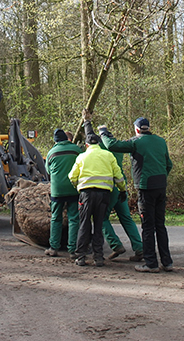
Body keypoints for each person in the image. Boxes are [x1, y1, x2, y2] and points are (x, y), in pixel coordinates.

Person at [85, 113, 173, 273]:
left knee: (147, 226)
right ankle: (166, 262)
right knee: (160, 225)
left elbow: (112, 145)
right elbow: (169, 164)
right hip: (160, 186)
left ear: (137, 130)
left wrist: (101, 130)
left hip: (145, 187)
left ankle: (151, 263)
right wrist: (161, 178)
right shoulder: (161, 141)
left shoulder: (135, 142)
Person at [68, 131, 126, 267]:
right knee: (99, 224)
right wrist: (122, 190)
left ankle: (81, 256)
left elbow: (72, 176)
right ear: (99, 143)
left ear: (87, 144)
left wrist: (78, 186)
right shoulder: (108, 155)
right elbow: (118, 176)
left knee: (84, 224)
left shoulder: (82, 157)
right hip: (103, 194)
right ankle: (98, 257)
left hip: (86, 194)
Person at [98, 128, 143, 261]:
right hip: (121, 185)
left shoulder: (101, 148)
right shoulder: (118, 148)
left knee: (101, 218)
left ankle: (115, 244)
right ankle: (139, 247)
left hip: (109, 186)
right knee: (126, 218)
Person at [45, 129, 83, 258]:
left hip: (57, 190)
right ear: (67, 139)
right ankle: (73, 249)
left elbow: (48, 171)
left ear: (55, 140)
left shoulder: (51, 152)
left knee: (56, 217)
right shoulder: (77, 150)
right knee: (74, 218)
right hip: (73, 188)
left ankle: (53, 248)